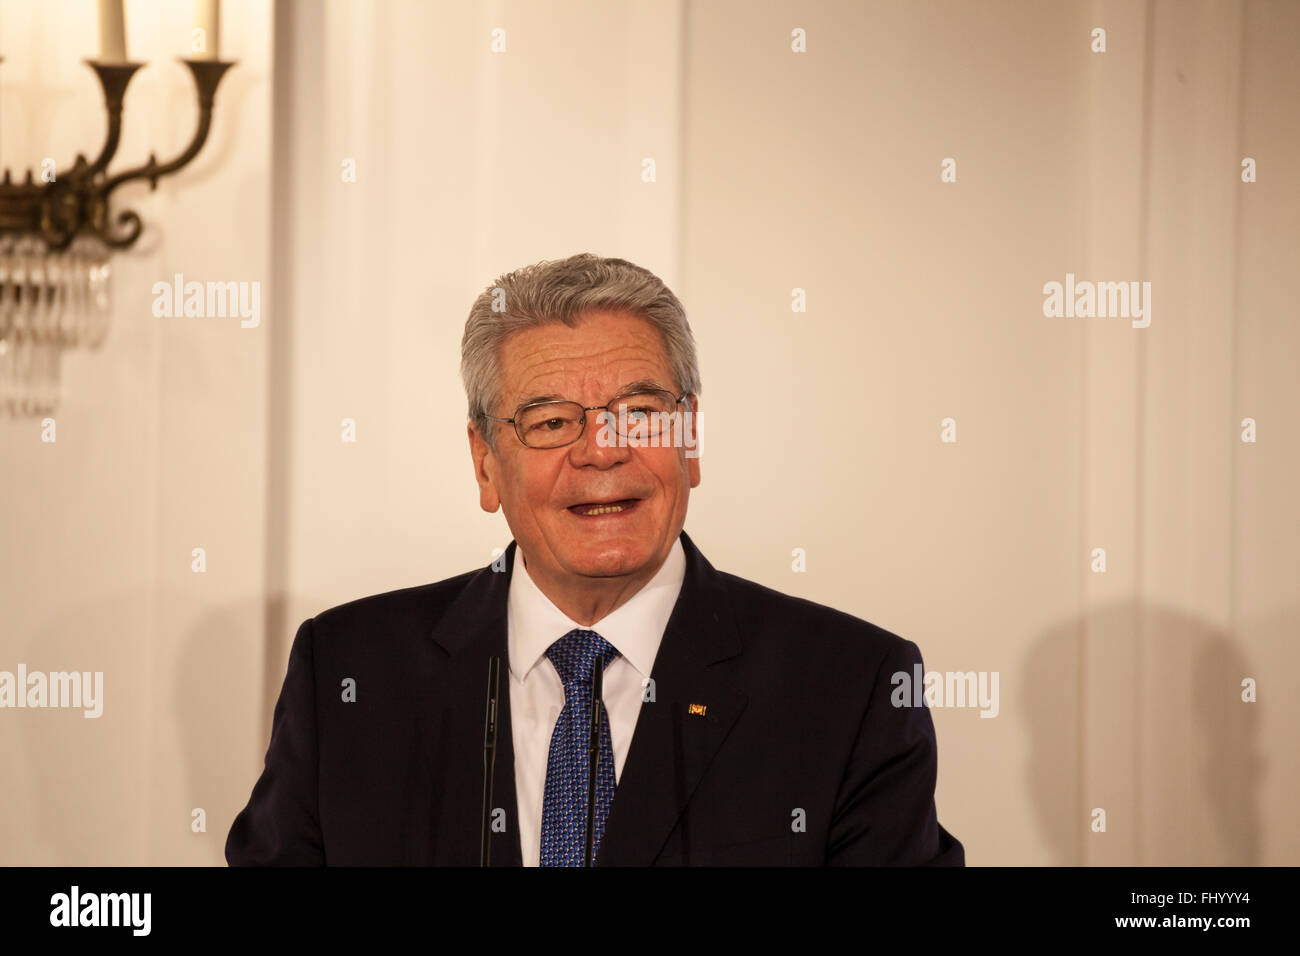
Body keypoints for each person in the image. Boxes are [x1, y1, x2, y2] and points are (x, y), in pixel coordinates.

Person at [226, 253, 964, 866]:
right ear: (485, 464)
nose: (602, 449)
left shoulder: (849, 687)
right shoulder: (350, 673)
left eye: (639, 414)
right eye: (550, 422)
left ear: (690, 440)